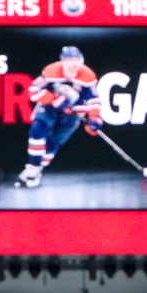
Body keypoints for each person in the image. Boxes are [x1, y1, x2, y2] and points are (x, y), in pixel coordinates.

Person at [17, 45, 101, 187]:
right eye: (69, 60)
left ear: (81, 61)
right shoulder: (51, 71)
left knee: (55, 141)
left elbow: (94, 101)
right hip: (50, 107)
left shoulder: (88, 76)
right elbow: (32, 90)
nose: (73, 64)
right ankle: (33, 168)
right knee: (37, 130)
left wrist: (95, 118)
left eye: (76, 60)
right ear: (62, 61)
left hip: (73, 112)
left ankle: (38, 169)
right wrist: (54, 99)